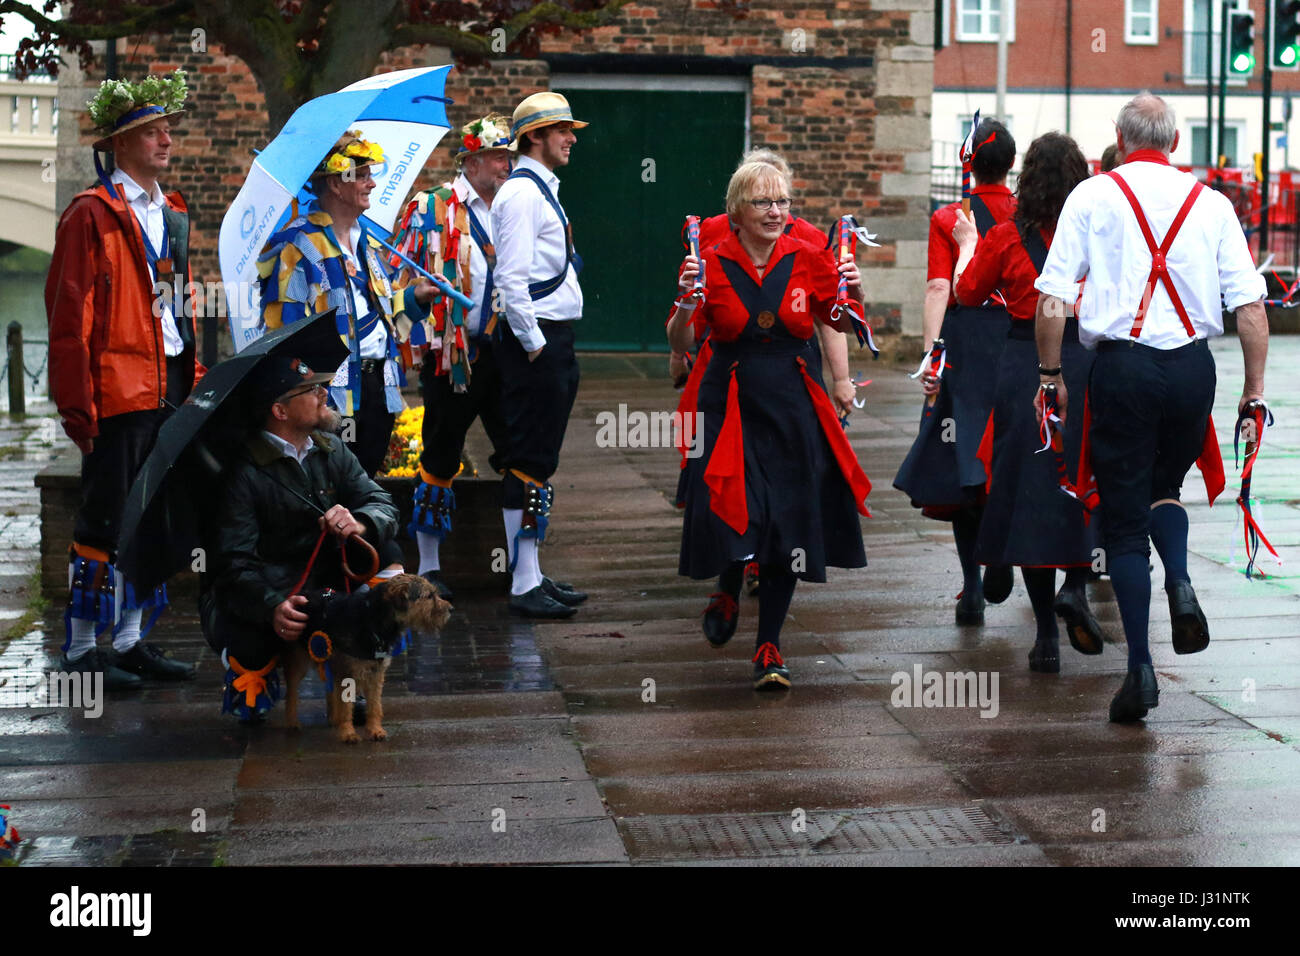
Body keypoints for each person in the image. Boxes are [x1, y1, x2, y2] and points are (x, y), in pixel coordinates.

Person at [1034, 92, 1269, 722]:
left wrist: (1051, 374)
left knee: (1123, 519)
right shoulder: (1213, 204)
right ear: (1174, 143)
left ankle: (1140, 670)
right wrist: (1254, 392)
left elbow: (1053, 298)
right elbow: (1250, 308)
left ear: (1118, 135)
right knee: (1167, 487)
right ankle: (1182, 583)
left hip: (1123, 367)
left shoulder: (1092, 195)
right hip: (1192, 367)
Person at [667, 158, 871, 690]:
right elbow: (682, 342)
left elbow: (837, 320)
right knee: (739, 511)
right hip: (729, 400)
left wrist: (854, 292)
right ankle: (728, 586)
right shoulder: (707, 261)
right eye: (763, 202)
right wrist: (686, 308)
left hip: (790, 403)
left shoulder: (810, 257)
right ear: (736, 211)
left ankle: (769, 645)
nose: (776, 212)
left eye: (782, 202)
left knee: (785, 523)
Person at [46, 69, 202, 689]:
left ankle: (133, 639)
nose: (166, 140)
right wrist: (76, 404)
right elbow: (68, 314)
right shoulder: (90, 214)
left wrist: (191, 367)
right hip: (116, 389)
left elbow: (174, 299)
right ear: (120, 143)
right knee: (104, 516)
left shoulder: (172, 211)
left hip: (166, 382)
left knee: (154, 512)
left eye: (167, 130)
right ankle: (83, 648)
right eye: (152, 132)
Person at [952, 131, 1106, 674]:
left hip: (1024, 365)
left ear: (1027, 176)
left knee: (1031, 493)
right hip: (1087, 362)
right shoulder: (1097, 232)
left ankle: (1044, 634)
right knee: (1087, 480)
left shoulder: (1004, 237)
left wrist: (969, 246)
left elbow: (967, 293)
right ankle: (1079, 585)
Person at [199, 356, 407, 721]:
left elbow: (382, 503)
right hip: (268, 588)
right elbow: (233, 563)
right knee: (252, 648)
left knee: (385, 551)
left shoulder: (328, 446)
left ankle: (354, 670)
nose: (324, 393)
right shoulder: (241, 471)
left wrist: (358, 523)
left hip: (323, 582)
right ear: (279, 410)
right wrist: (273, 606)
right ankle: (248, 673)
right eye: (310, 389)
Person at [894, 119, 1017, 626]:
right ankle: (1004, 555)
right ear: (1011, 164)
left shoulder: (950, 216)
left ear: (969, 161)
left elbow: (937, 290)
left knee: (967, 464)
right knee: (1010, 455)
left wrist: (931, 358)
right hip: (1016, 344)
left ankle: (971, 586)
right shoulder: (1025, 215)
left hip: (965, 347)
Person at [390, 113, 517, 601]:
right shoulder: (431, 206)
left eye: (510, 155)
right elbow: (399, 282)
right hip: (452, 354)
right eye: (498, 156)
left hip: (507, 349)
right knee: (441, 450)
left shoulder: (515, 204)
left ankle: (523, 570)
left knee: (518, 452)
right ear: (473, 160)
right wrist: (420, 296)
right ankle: (430, 568)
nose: (507, 164)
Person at [257, 130, 436, 476]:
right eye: (362, 174)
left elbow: (375, 314)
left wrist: (414, 298)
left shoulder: (366, 241)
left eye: (371, 174)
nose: (371, 183)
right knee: (331, 485)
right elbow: (288, 332)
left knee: (365, 481)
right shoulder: (298, 246)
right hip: (330, 393)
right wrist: (309, 397)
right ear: (336, 185)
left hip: (376, 387)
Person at [490, 92, 590, 618]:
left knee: (538, 459)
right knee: (528, 460)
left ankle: (530, 574)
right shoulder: (523, 195)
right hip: (538, 340)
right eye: (561, 130)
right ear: (535, 136)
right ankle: (522, 583)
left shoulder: (537, 190)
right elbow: (511, 278)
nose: (571, 138)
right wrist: (534, 343)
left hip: (550, 337)